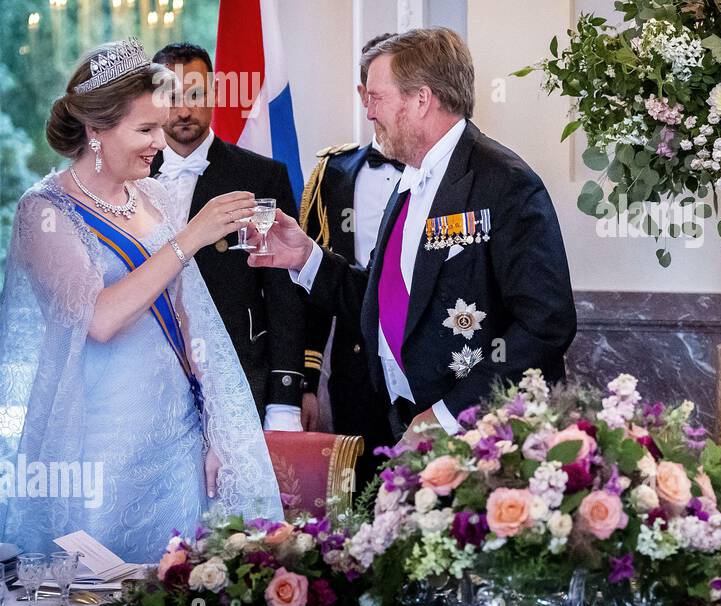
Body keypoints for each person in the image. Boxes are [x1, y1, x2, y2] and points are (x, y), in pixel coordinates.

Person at [0, 39, 282, 563]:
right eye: (146, 129)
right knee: (98, 590)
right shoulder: (45, 212)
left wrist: (215, 427)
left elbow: (187, 315)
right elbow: (98, 318)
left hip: (177, 432)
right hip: (101, 440)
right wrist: (188, 239)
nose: (160, 142)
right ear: (96, 129)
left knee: (176, 579)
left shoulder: (152, 196)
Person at [249, 27, 577, 436]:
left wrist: (449, 414)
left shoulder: (505, 182)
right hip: (401, 421)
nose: (369, 112)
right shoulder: (411, 180)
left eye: (377, 97)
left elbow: (546, 324)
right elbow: (385, 299)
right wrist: (307, 257)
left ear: (421, 99)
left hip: (481, 432)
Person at [150, 42, 306, 429]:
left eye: (195, 95)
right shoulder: (130, 177)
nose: (183, 111)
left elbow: (284, 294)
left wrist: (284, 399)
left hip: (237, 369)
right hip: (149, 371)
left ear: (215, 92)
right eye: (171, 97)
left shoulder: (260, 176)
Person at [298, 32, 402, 483]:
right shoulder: (334, 173)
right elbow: (311, 280)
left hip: (424, 358)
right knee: (359, 485)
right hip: (354, 357)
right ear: (364, 95)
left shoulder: (450, 172)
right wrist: (305, 380)